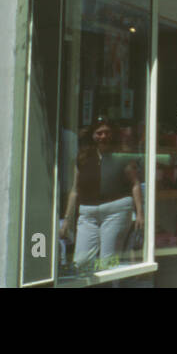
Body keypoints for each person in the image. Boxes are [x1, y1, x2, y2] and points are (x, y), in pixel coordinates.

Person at [60, 116, 143, 273]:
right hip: (87, 213)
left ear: (112, 134)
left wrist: (140, 214)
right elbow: (75, 190)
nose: (103, 136)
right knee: (81, 263)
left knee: (107, 263)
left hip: (115, 211)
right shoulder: (83, 158)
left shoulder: (121, 155)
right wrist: (67, 219)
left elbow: (135, 184)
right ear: (92, 135)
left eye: (107, 133)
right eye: (99, 133)